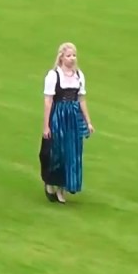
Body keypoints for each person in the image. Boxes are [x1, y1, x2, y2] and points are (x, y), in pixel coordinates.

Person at [41, 42, 95, 204]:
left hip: (73, 117)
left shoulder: (79, 75)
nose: (72, 58)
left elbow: (81, 99)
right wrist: (46, 125)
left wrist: (88, 122)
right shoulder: (54, 76)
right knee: (58, 152)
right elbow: (48, 101)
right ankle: (50, 182)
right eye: (68, 55)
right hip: (58, 116)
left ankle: (61, 189)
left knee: (72, 152)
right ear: (61, 58)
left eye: (74, 55)